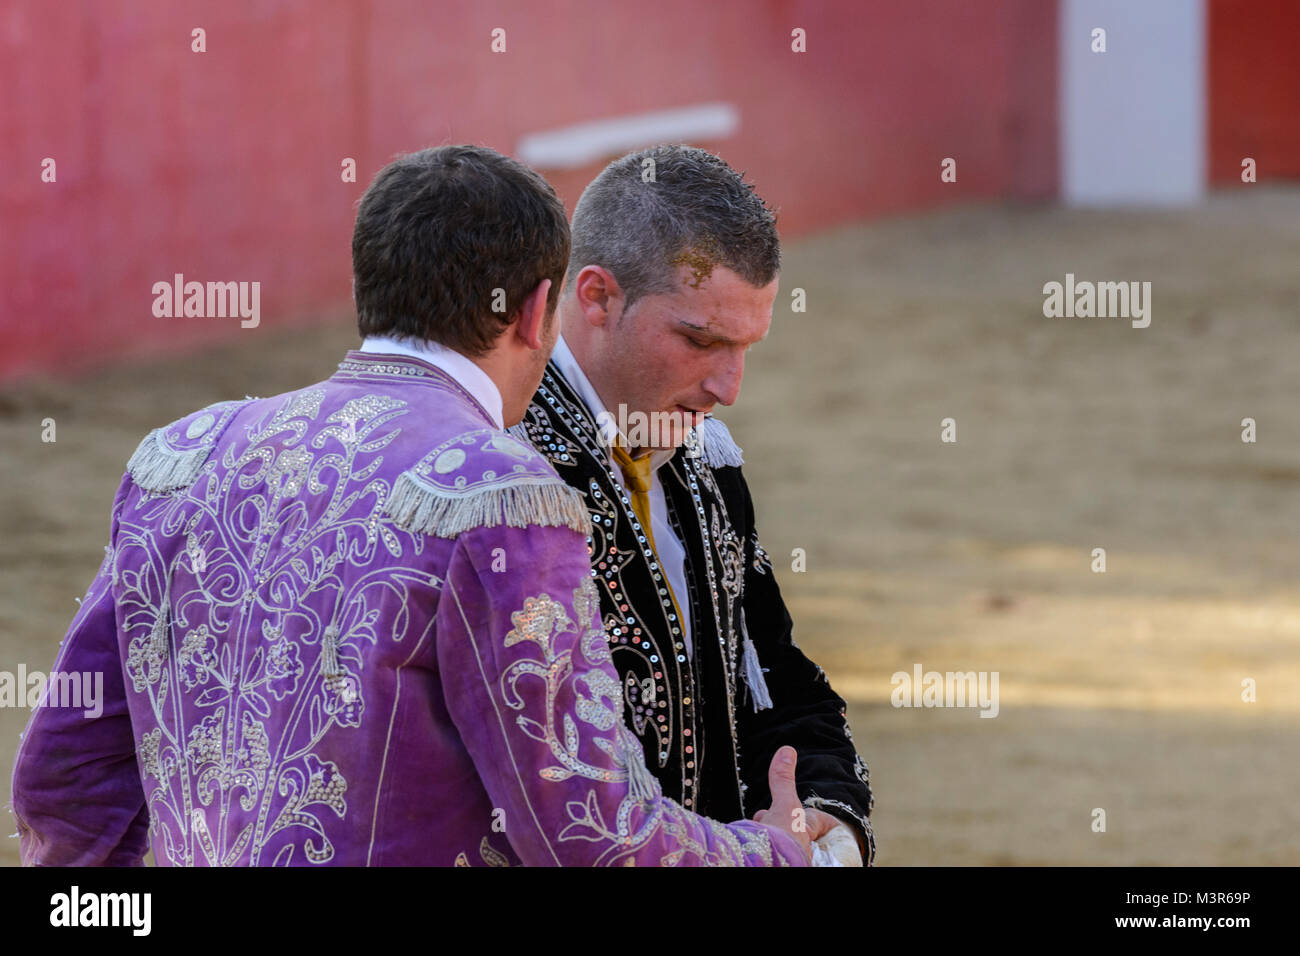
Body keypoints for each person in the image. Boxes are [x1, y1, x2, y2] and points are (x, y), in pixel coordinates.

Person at [9, 145, 833, 867]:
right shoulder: (501, 493)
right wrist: (772, 856)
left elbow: (65, 779)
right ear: (540, 309)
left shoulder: (182, 458)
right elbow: (590, 833)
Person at [511, 145, 875, 865]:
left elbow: (775, 674)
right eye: (700, 340)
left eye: (746, 347)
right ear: (597, 297)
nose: (729, 387)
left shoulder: (707, 458)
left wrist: (829, 820)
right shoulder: (508, 474)